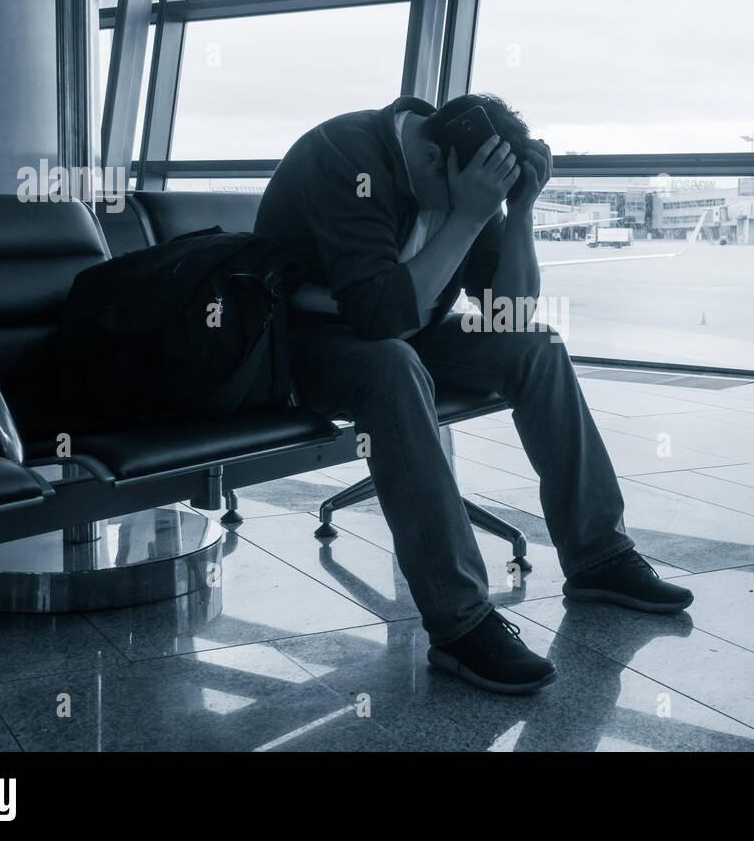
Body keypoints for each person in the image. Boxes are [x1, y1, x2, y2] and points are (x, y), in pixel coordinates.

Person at [254, 93, 693, 694]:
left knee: (537, 345)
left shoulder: (468, 174)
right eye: (473, 199)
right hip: (300, 345)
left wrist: (519, 210)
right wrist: (467, 215)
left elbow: (509, 312)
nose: (477, 210)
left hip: (411, 330)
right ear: (432, 156)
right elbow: (379, 318)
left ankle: (599, 556)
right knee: (392, 364)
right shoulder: (346, 158)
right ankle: (461, 623)